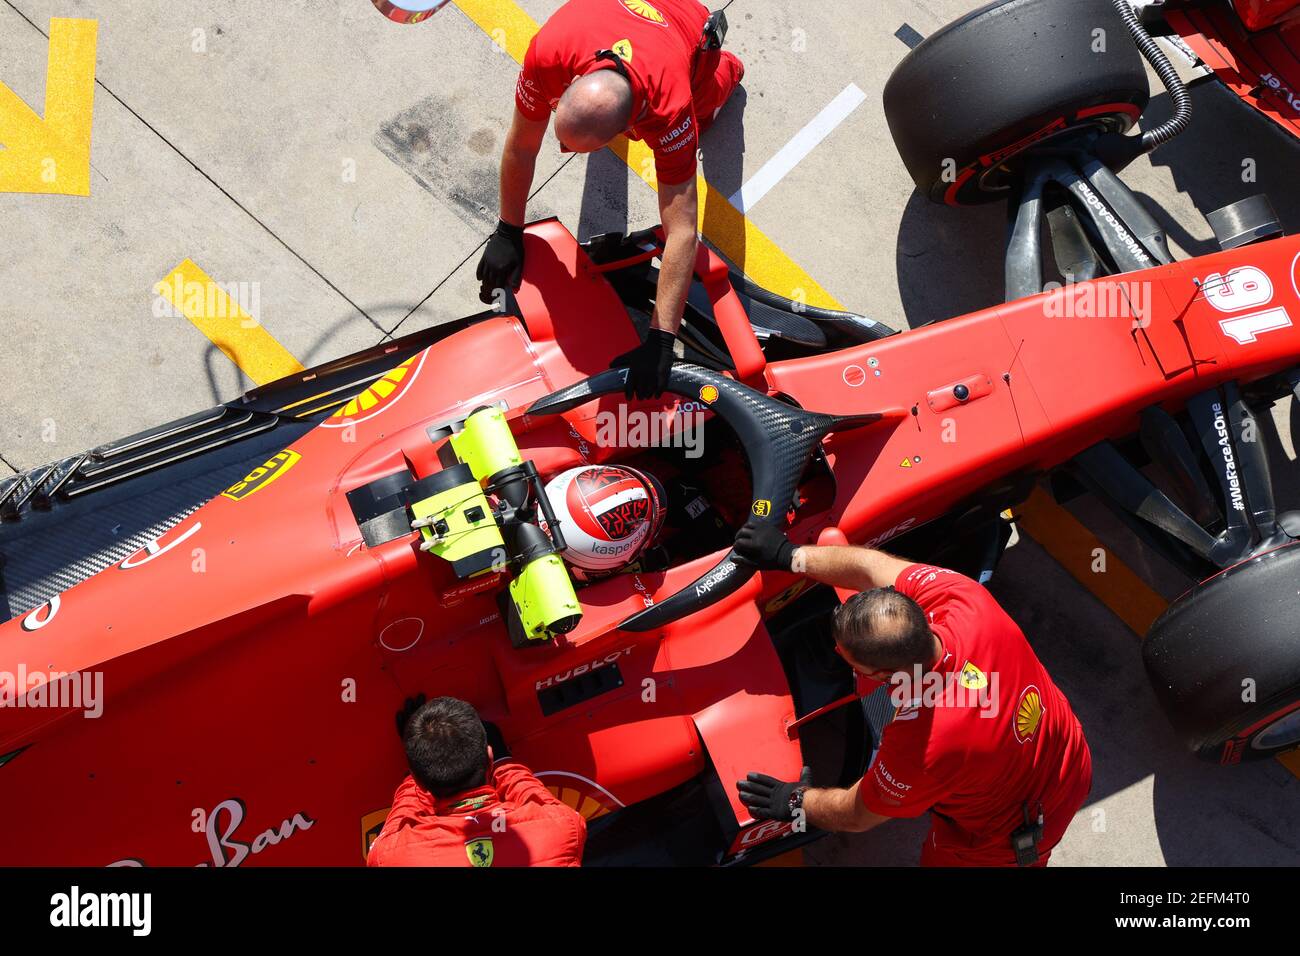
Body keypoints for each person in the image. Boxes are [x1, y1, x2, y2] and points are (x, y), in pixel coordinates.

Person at [731, 522, 1093, 867]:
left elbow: (858, 814)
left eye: (850, 661)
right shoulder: (963, 597)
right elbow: (875, 566)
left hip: (1005, 834)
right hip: (1069, 758)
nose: (839, 657)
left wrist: (797, 801)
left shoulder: (923, 745)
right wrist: (789, 555)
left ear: (882, 675)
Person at [476, 0, 745, 399]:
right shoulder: (548, 52)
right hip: (614, 23)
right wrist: (507, 228)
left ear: (632, 128)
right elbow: (521, 147)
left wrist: (660, 339)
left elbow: (683, 229)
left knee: (708, 101)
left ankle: (728, 68)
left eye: (575, 146)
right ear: (569, 85)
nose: (559, 147)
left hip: (681, 27)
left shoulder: (670, 110)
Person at [367, 695, 586, 867]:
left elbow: (403, 814)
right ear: (489, 758)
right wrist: (503, 758)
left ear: (419, 783)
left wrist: (418, 749)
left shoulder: (389, 856)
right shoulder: (563, 828)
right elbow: (531, 793)